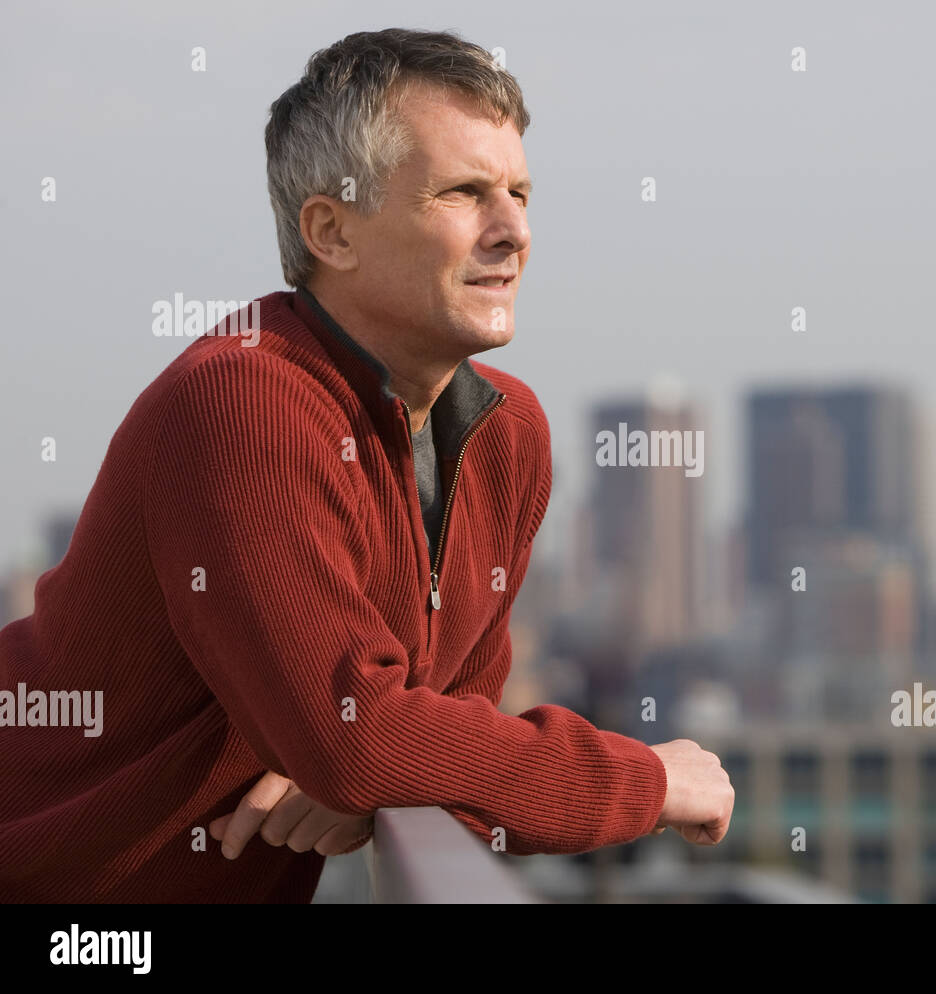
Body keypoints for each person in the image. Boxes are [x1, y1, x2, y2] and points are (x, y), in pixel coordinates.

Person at [0, 27, 732, 902]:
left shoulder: (507, 436)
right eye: (464, 193)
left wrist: (362, 770)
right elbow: (361, 737)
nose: (514, 232)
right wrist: (647, 781)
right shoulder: (242, 402)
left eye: (520, 193)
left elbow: (438, 733)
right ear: (332, 231)